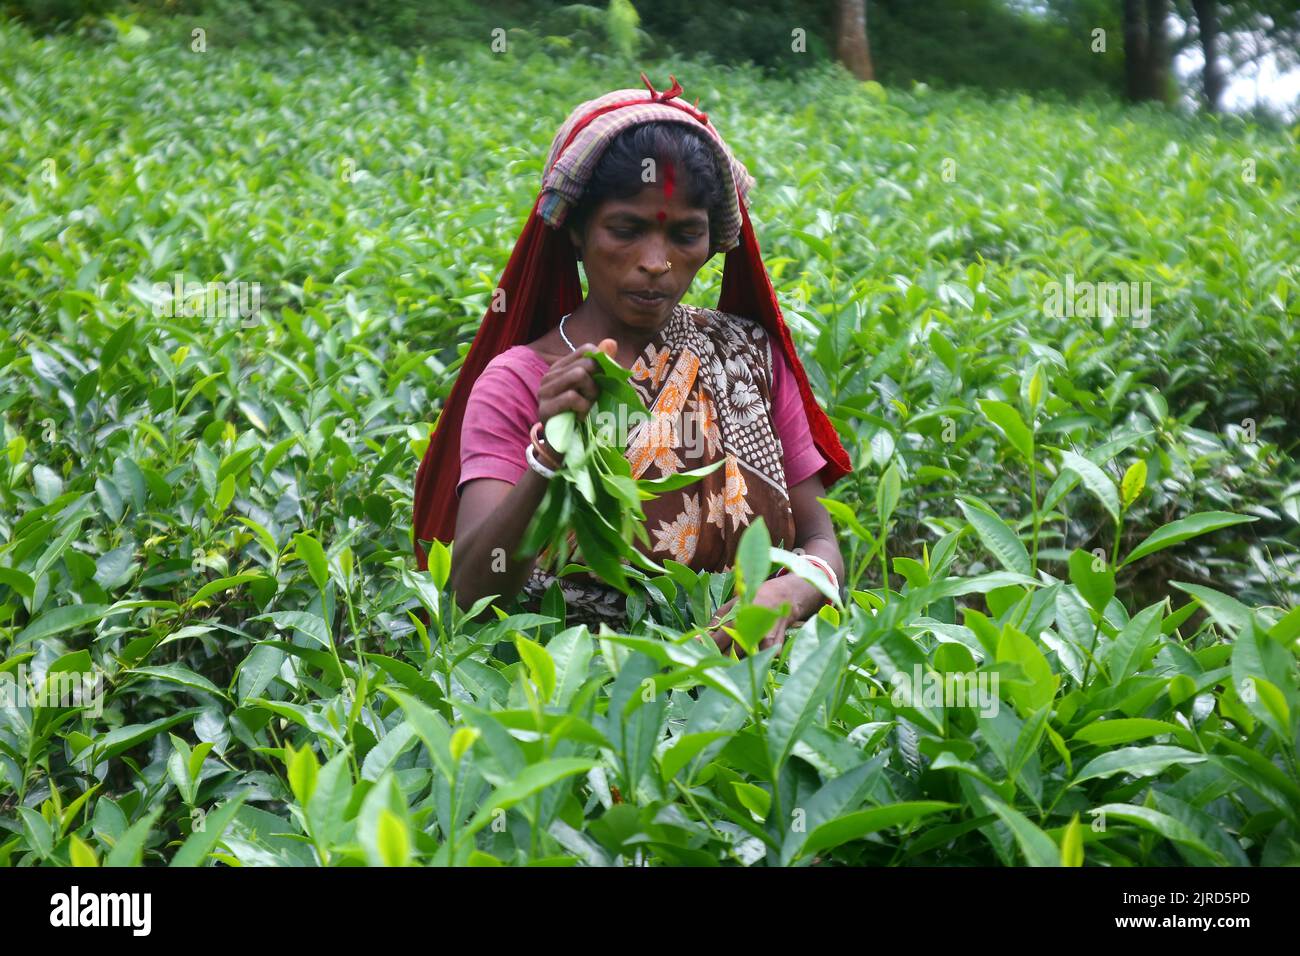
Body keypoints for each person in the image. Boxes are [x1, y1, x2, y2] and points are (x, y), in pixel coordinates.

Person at [412, 74, 852, 653]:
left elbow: (823, 541)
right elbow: (469, 591)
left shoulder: (749, 359)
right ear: (575, 230)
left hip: (747, 688)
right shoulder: (517, 380)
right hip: (577, 698)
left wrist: (788, 594)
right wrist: (549, 458)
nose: (656, 263)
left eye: (685, 235)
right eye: (627, 229)